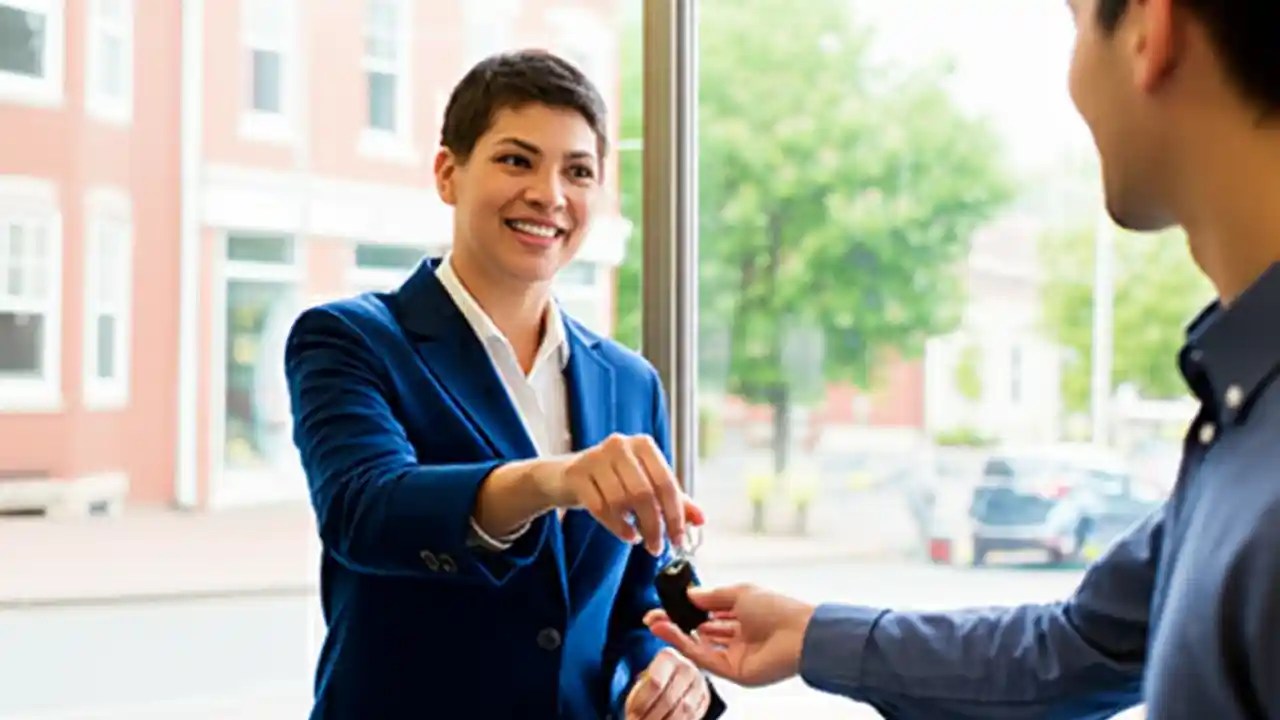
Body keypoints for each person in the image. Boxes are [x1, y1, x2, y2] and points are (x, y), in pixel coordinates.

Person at [645, 0, 1280, 718]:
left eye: (1073, 23)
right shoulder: (1239, 409)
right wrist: (811, 635)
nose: (1071, 81)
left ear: (1149, 29)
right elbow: (1070, 650)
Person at [286, 50, 718, 720]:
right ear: (447, 173)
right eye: (517, 160)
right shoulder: (351, 339)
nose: (549, 194)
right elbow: (365, 512)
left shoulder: (630, 383)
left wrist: (668, 664)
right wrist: (556, 481)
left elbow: (647, 595)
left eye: (577, 171)